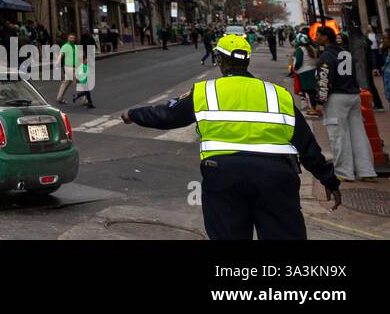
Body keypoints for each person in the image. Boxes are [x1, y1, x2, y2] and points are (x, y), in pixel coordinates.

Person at [121, 33, 341, 240]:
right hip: (277, 176)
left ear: (219, 59)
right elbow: (307, 144)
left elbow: (166, 116)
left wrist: (133, 114)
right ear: (246, 61)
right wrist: (328, 179)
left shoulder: (205, 91)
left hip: (224, 175)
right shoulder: (277, 94)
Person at [315, 27, 377, 182]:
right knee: (358, 134)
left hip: (337, 97)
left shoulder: (326, 56)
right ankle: (366, 171)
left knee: (338, 135)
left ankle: (343, 172)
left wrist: (320, 101)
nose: (316, 38)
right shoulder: (346, 53)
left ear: (325, 37)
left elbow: (324, 79)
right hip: (353, 95)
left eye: (318, 35)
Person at [292, 33, 320, 115]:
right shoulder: (312, 48)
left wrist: (295, 68)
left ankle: (314, 108)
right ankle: (314, 107)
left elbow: (298, 62)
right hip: (313, 71)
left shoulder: (300, 49)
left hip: (304, 73)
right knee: (313, 91)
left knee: (308, 91)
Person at [55, 33, 76, 104]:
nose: (72, 39)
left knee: (66, 82)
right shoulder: (66, 46)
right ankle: (84, 100)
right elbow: (61, 54)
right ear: (68, 39)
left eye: (73, 38)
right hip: (68, 67)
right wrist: (57, 62)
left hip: (74, 66)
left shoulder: (74, 46)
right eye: (70, 38)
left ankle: (59, 98)